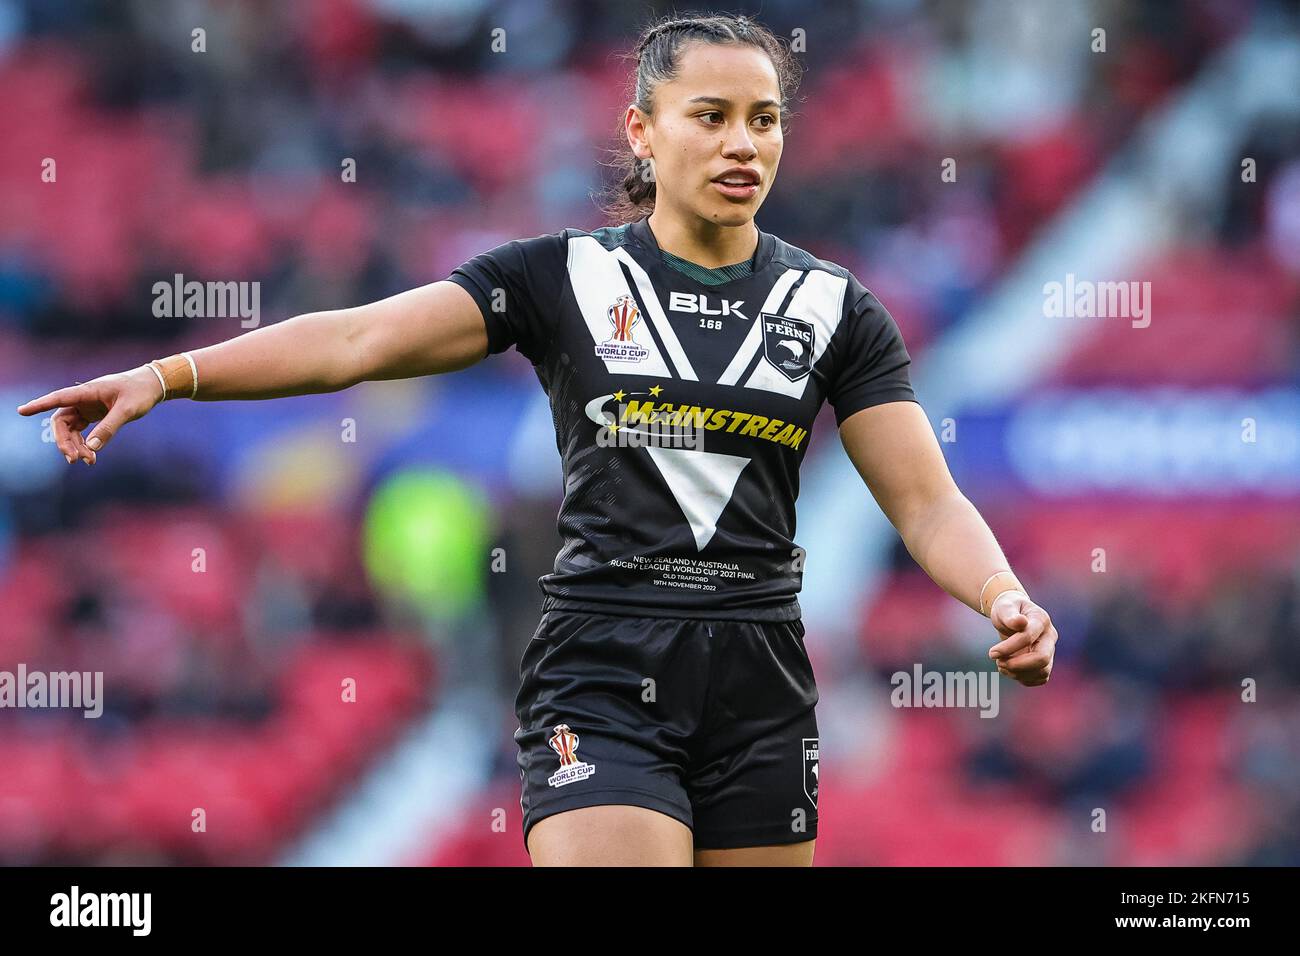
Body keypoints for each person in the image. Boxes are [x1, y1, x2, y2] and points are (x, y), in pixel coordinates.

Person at [16, 12, 1058, 867]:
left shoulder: (836, 309)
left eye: (764, 119)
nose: (745, 143)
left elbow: (923, 500)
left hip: (759, 676)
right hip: (602, 668)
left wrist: (1000, 595)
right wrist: (168, 373)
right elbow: (358, 339)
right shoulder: (560, 278)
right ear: (643, 132)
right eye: (711, 115)